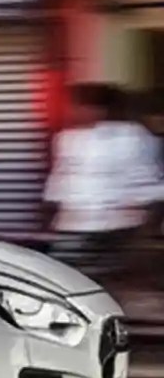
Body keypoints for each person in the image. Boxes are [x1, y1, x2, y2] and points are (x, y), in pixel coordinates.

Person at [43, 84, 161, 286]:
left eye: (80, 106)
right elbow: (62, 176)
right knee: (66, 275)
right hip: (75, 222)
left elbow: (145, 178)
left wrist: (139, 208)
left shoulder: (130, 137)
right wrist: (53, 206)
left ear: (98, 109)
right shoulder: (68, 138)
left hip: (113, 223)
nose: (75, 111)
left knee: (101, 277)